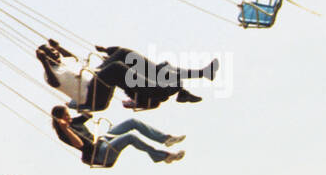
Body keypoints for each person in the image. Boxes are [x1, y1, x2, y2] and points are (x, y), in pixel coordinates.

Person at [36, 39, 216, 110]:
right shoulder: (50, 72)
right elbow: (54, 83)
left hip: (97, 77)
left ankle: (158, 76)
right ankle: (158, 90)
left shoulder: (64, 61)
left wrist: (59, 48)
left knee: (123, 54)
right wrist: (44, 60)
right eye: (51, 53)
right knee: (116, 68)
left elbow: (71, 57)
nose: (54, 54)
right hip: (91, 96)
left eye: (54, 52)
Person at [50, 106, 185, 167]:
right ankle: (164, 156)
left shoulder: (73, 121)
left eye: (68, 114)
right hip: (100, 155)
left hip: (101, 141)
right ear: (60, 119)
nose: (69, 117)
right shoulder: (63, 133)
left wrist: (77, 106)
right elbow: (79, 144)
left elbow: (88, 115)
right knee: (130, 137)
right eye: (66, 116)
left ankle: (166, 139)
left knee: (132, 122)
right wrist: (65, 128)